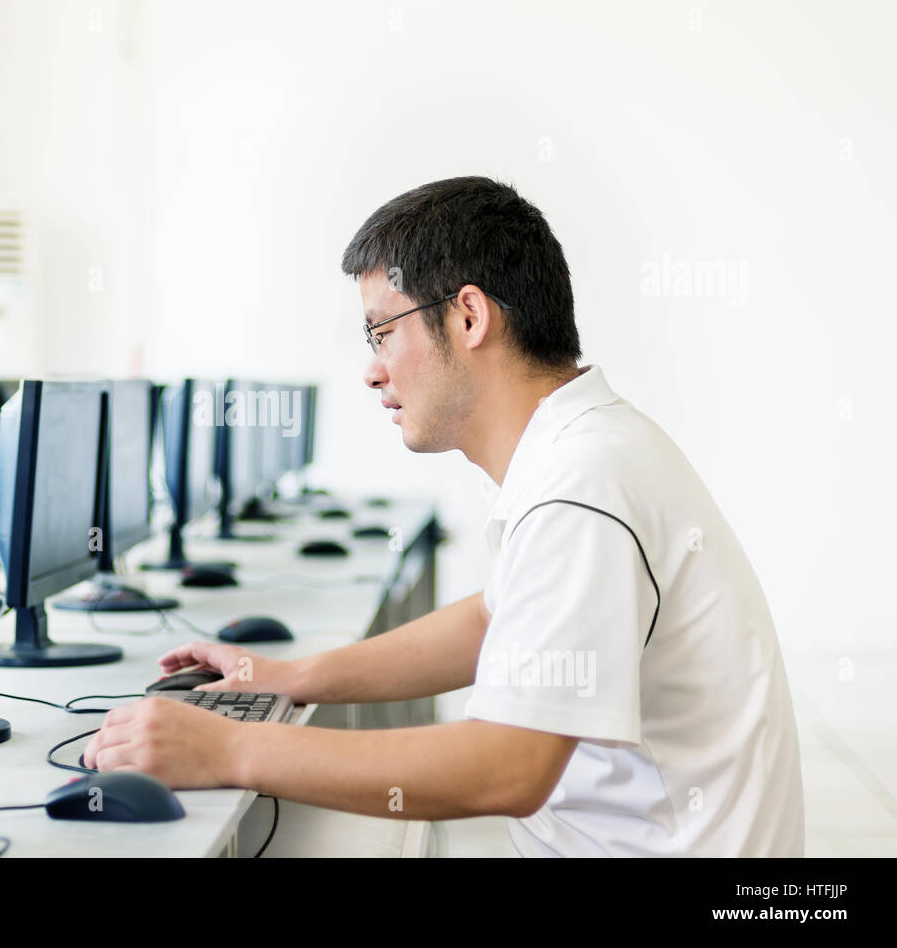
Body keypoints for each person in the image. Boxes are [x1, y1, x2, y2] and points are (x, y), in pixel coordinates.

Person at [83, 176, 805, 857]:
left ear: (468, 315)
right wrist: (290, 676)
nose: (371, 369)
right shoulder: (583, 450)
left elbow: (507, 767)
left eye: (381, 332)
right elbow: (494, 621)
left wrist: (230, 750)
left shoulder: (581, 486)